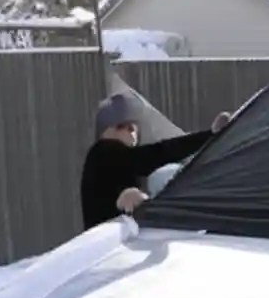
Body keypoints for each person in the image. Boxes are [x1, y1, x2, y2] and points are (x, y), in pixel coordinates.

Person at [78, 92, 230, 229]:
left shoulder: (105, 158)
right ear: (107, 131)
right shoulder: (107, 151)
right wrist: (208, 135)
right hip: (110, 243)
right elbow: (159, 153)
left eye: (134, 127)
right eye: (123, 127)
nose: (132, 132)